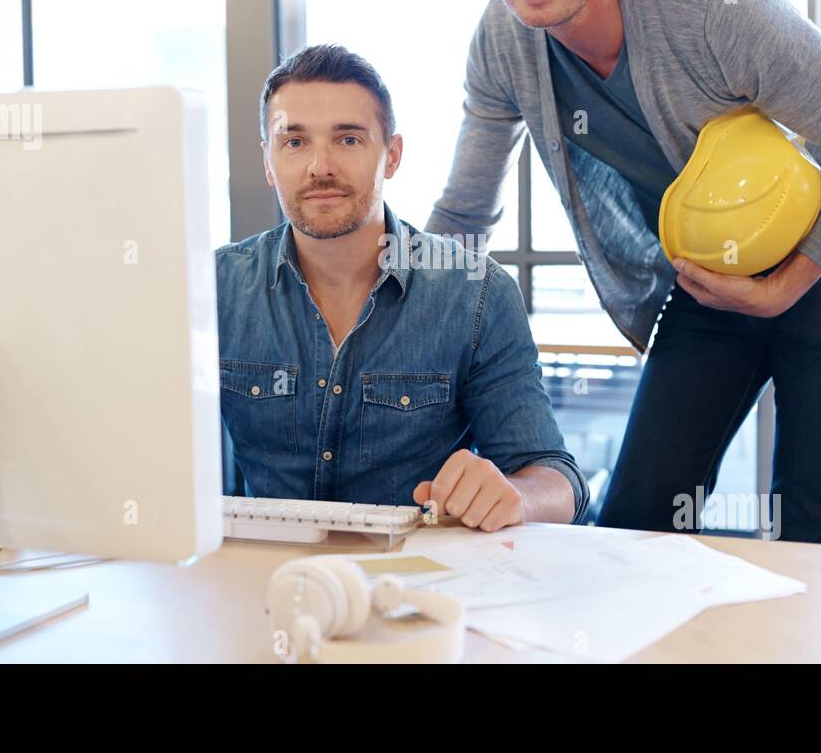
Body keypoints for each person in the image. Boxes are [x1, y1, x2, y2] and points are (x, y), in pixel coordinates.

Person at [426, 0, 821, 544]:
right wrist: (395, 316)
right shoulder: (503, 41)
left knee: (813, 527)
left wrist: (784, 288)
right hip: (711, 283)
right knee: (636, 516)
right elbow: (465, 213)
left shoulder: (713, 9)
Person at [217, 43, 589, 531]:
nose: (320, 167)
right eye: (294, 142)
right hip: (264, 585)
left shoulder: (476, 293)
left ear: (391, 156)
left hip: (420, 589)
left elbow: (559, 480)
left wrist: (515, 495)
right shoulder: (214, 289)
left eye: (348, 140)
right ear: (268, 161)